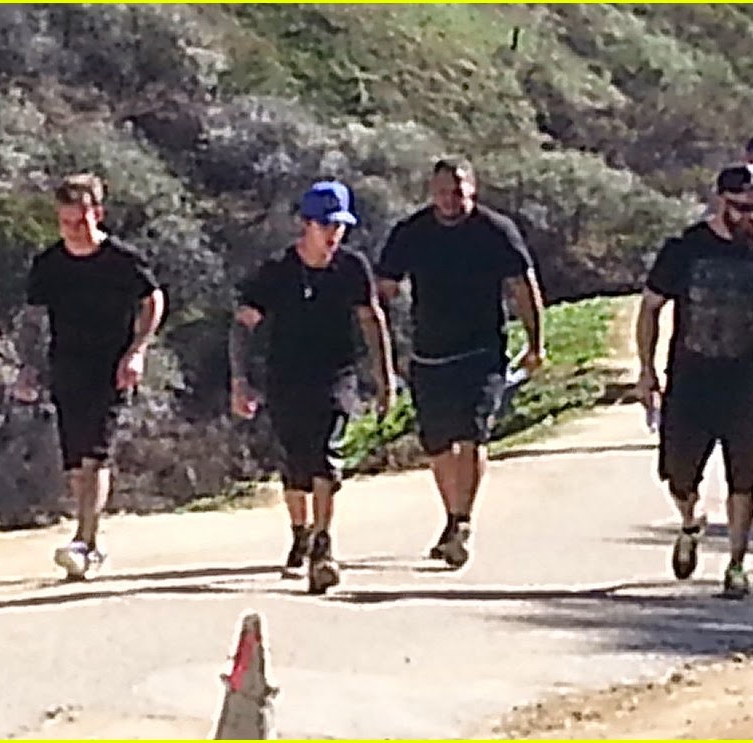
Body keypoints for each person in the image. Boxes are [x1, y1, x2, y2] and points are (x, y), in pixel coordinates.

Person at [635, 163, 753, 599]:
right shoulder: (684, 249)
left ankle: (736, 563)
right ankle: (691, 521)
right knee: (678, 475)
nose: (752, 217)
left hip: (745, 378)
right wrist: (647, 371)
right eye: (743, 208)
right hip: (690, 377)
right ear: (722, 202)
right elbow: (650, 306)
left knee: (745, 476)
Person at [376, 158, 546, 568]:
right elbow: (383, 289)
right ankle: (452, 516)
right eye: (442, 193)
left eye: (459, 193)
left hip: (482, 350)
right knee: (436, 442)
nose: (450, 201)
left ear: (473, 190)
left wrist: (536, 343)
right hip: (428, 352)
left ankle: (461, 522)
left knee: (472, 432)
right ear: (430, 192)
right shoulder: (411, 232)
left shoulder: (495, 231)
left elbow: (523, 287)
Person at [229, 180, 396, 594]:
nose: (333, 233)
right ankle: (300, 532)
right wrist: (239, 379)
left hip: (336, 375)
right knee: (295, 463)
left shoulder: (352, 267)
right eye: (325, 224)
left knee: (326, 458)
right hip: (285, 377)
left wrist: (384, 378)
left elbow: (371, 320)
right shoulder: (277, 272)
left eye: (339, 225)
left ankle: (323, 545)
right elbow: (242, 325)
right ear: (305, 224)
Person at [13, 173, 166, 580]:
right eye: (66, 223)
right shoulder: (48, 265)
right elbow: (32, 319)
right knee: (75, 462)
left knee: (96, 455)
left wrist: (137, 351)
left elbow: (153, 299)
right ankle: (92, 545)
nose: (74, 230)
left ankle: (83, 540)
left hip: (111, 369)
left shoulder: (122, 259)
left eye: (81, 221)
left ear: (97, 214)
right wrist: (27, 366)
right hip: (66, 366)